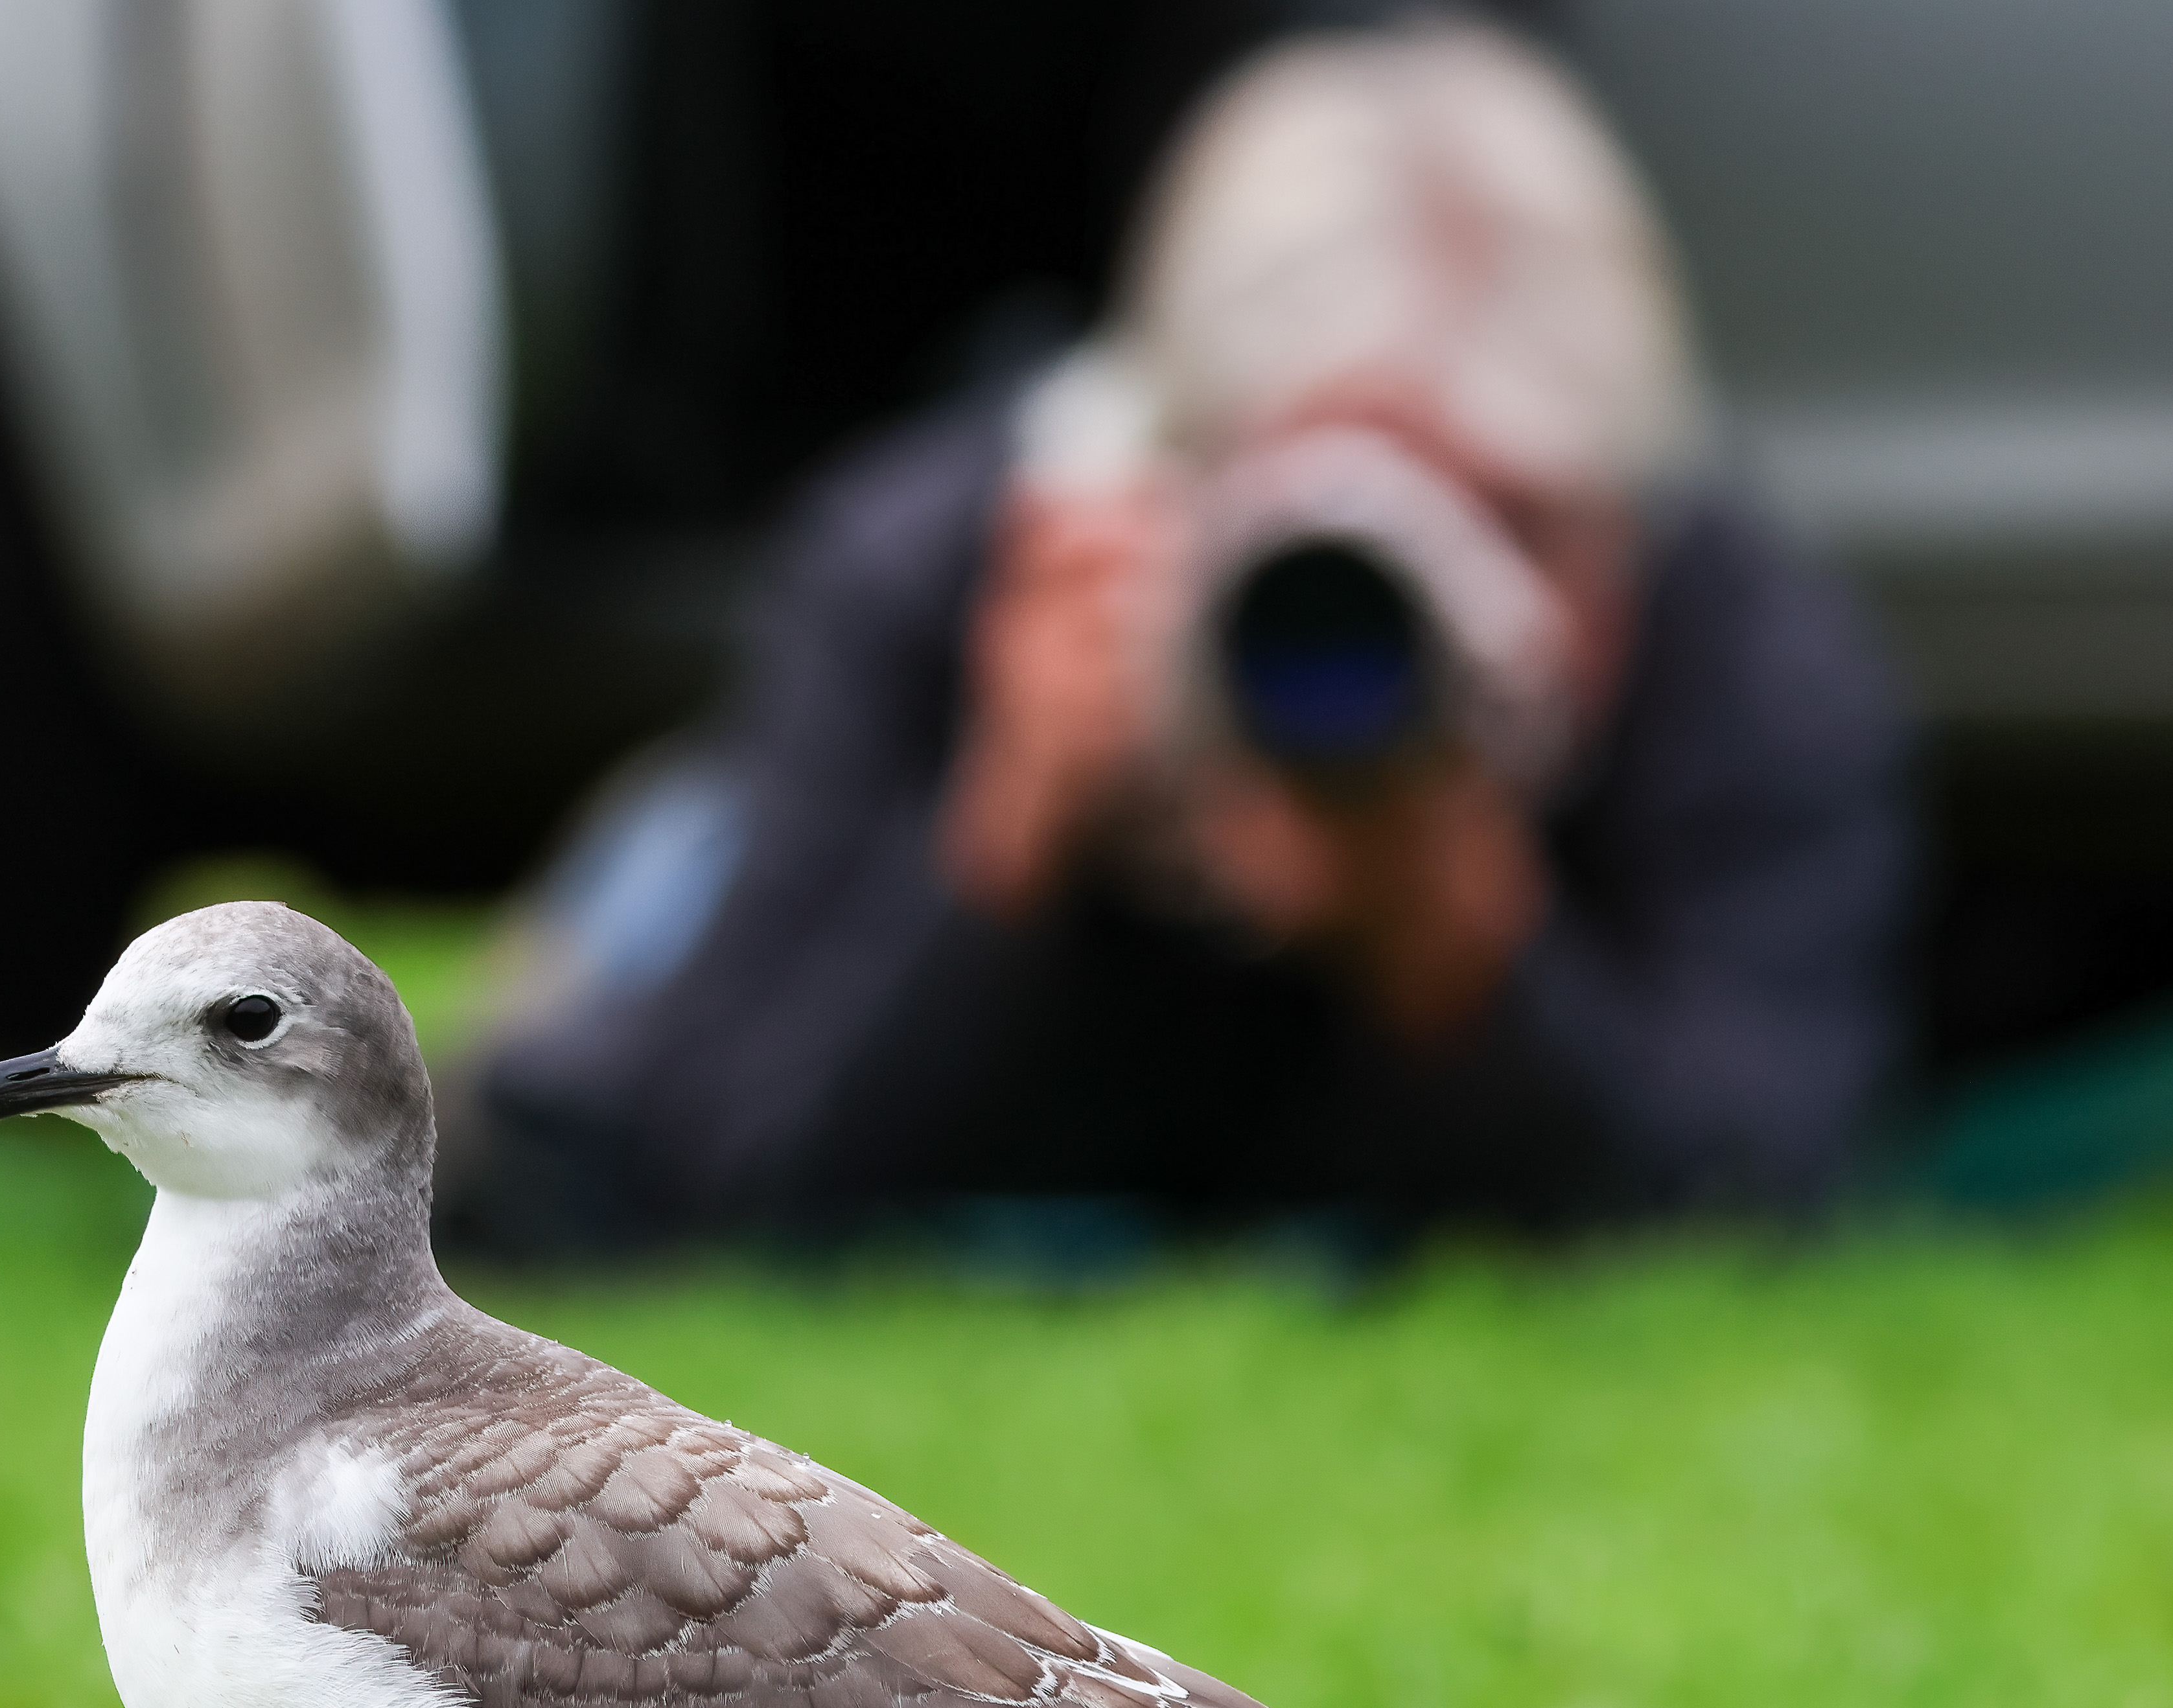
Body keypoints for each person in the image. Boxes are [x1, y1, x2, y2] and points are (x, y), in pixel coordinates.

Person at [441, 18, 1913, 1260]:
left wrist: (1463, 951)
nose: (1403, 587)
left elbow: (1757, 1194)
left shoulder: (1736, 628)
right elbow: (698, 1175)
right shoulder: (942, 565)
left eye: (1510, 522)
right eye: (1326, 499)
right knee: (632, 963)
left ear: (1626, 516)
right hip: (934, 918)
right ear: (1170, 461)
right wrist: (1002, 840)